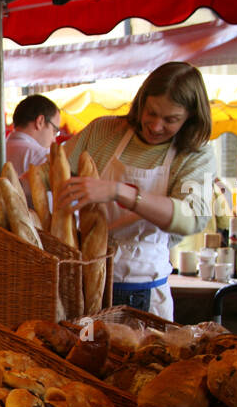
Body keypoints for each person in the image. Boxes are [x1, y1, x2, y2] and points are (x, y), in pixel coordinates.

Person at [59, 61, 216, 320]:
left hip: (146, 295)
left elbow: (192, 217)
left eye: (170, 119)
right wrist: (14, 185)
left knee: (142, 359)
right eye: (151, 113)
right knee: (84, 352)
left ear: (190, 117)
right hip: (87, 293)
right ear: (141, 102)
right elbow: (50, 174)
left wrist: (120, 192)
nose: (155, 126)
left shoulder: (196, 153)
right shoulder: (103, 132)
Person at [0, 93, 62, 235]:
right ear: (40, 121)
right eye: (55, 131)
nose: (54, 140)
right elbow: (56, 227)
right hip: (33, 256)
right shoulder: (43, 160)